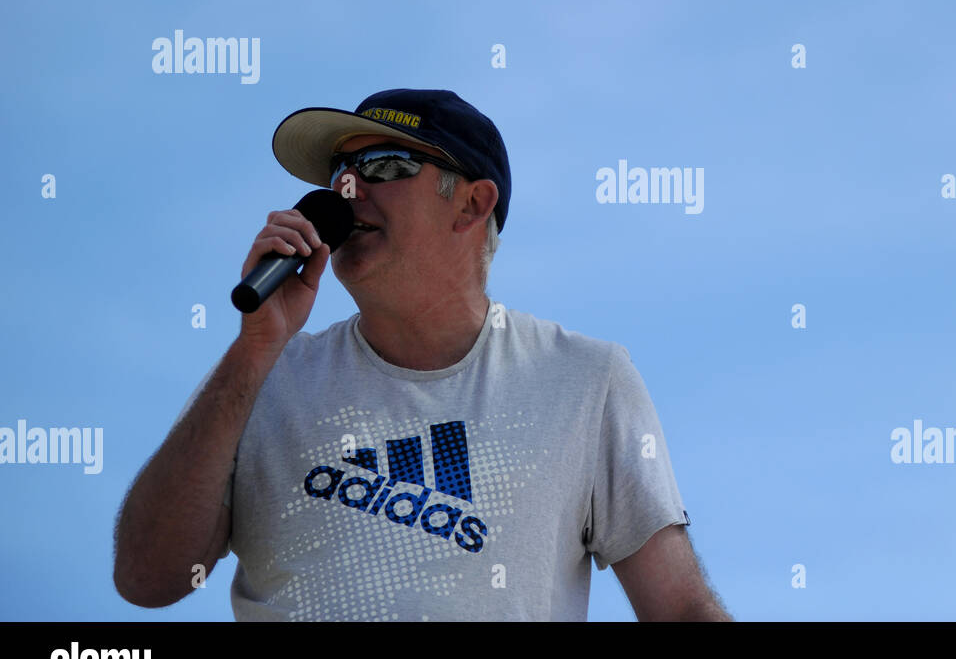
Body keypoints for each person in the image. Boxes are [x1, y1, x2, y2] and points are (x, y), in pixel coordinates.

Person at [113, 88, 731, 622]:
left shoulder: (585, 381)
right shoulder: (263, 375)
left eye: (382, 165)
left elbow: (679, 610)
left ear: (472, 204)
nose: (348, 189)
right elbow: (148, 578)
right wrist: (252, 352)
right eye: (339, 172)